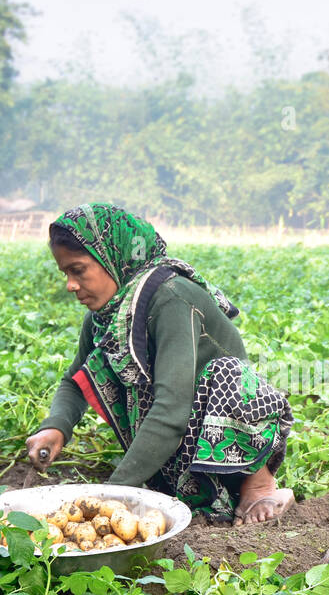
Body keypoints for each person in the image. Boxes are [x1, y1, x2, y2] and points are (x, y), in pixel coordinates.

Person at [25, 203, 295, 525]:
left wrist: (111, 495)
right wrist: (56, 426)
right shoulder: (106, 316)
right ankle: (195, 488)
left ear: (113, 259)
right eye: (65, 273)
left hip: (225, 419)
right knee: (104, 367)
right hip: (185, 426)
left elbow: (171, 409)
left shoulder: (171, 297)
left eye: (78, 270)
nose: (70, 284)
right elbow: (75, 381)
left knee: (225, 374)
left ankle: (259, 482)